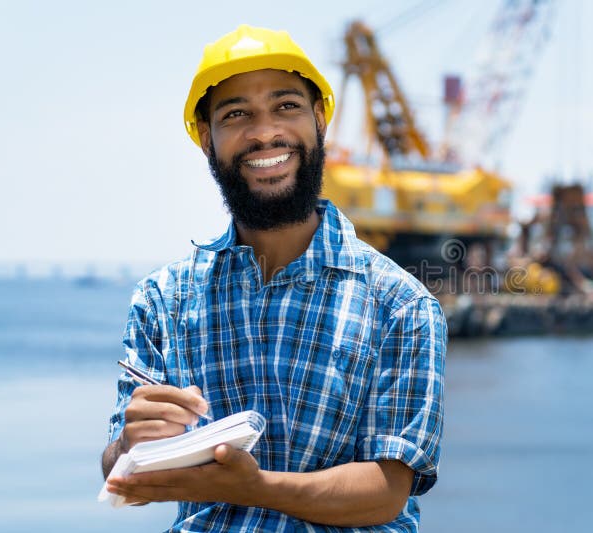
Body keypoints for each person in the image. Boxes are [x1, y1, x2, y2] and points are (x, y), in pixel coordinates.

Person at [101, 25, 446, 532]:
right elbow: (120, 479)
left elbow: (386, 494)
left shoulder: (401, 304)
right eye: (236, 114)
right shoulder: (163, 300)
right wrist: (131, 444)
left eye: (286, 106)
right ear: (205, 138)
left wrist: (253, 488)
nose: (264, 132)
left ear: (320, 120)